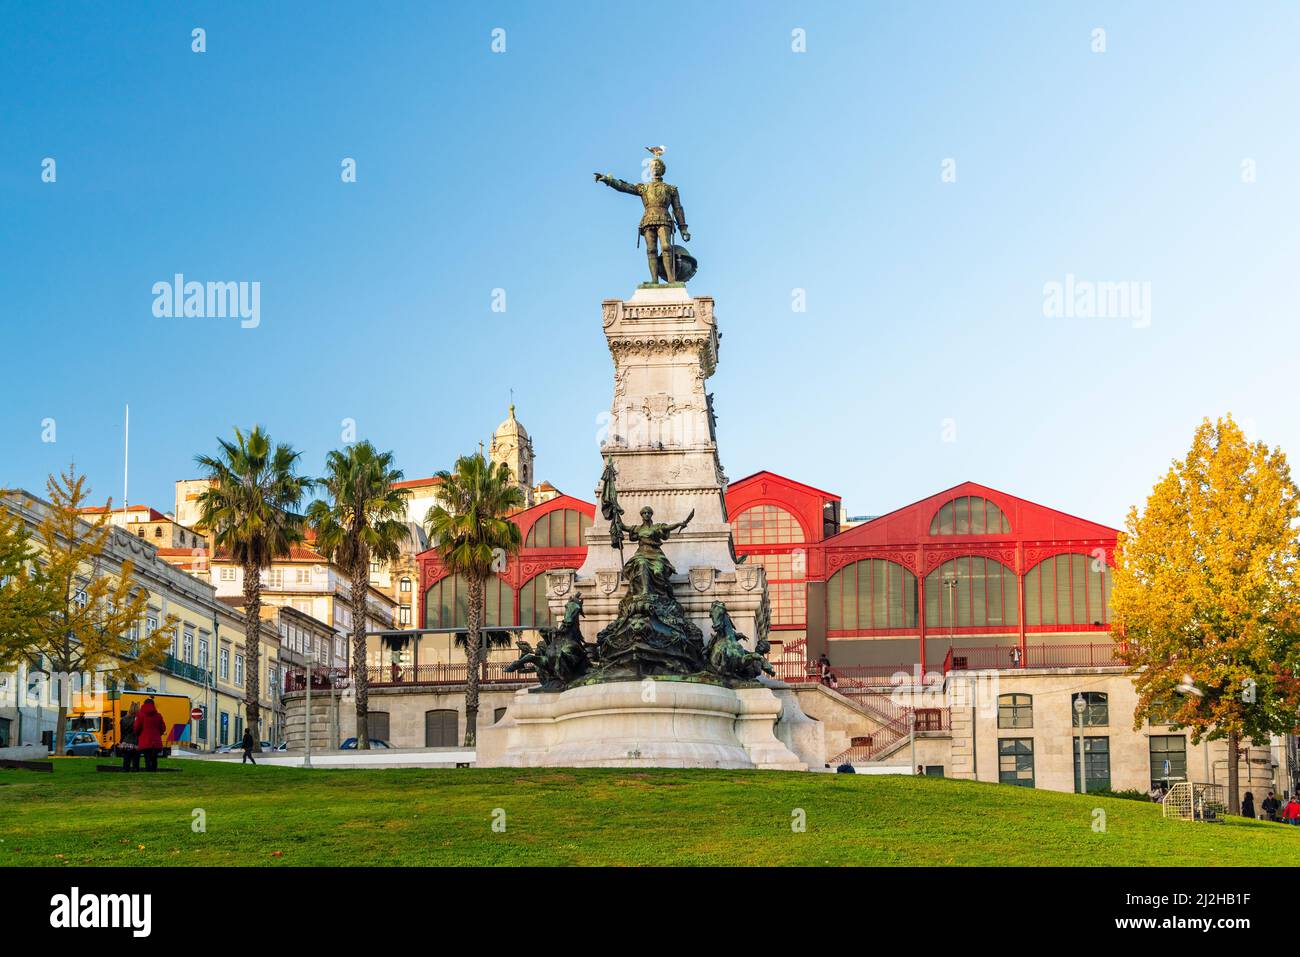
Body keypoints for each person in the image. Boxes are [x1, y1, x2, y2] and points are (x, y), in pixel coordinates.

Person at [133, 697, 166, 772]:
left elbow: (136, 727)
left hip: (145, 740)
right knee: (154, 758)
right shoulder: (158, 716)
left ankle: (148, 770)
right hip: (156, 741)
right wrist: (158, 733)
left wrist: (139, 734)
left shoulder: (140, 715)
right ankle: (154, 770)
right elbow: (163, 728)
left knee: (147, 757)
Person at [119, 702, 141, 772]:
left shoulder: (123, 719)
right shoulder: (138, 719)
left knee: (126, 760)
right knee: (135, 761)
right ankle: (135, 770)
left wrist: (122, 741)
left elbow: (122, 732)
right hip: (135, 742)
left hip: (125, 742)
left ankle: (125, 770)